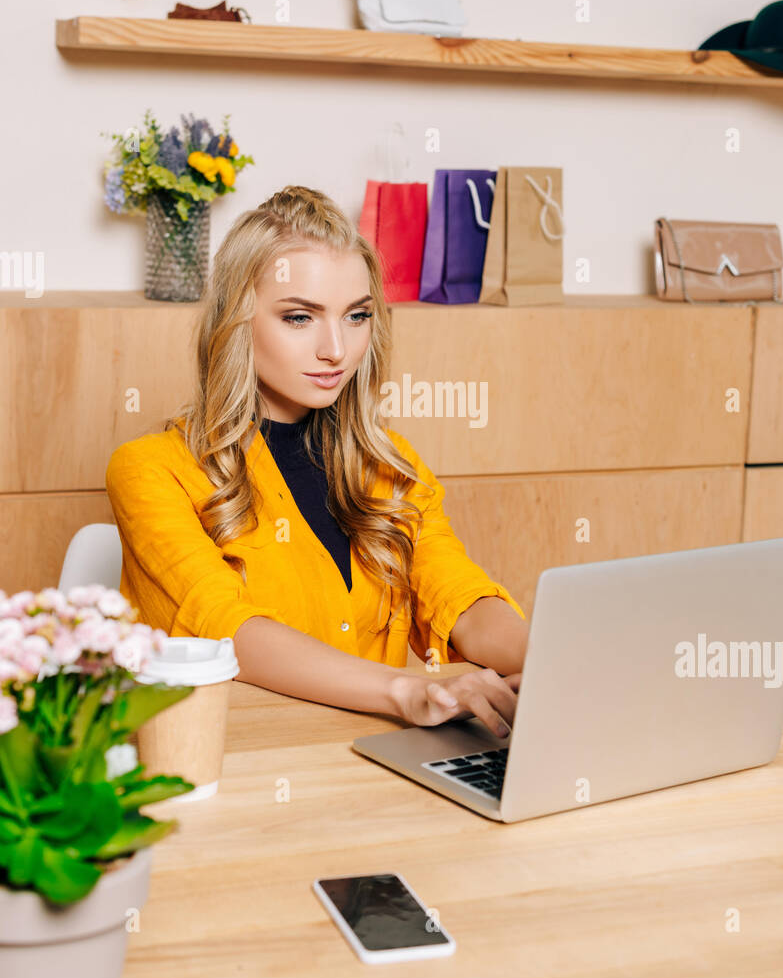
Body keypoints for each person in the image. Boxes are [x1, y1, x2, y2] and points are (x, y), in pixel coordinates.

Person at [105, 185, 528, 737]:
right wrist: (406, 690)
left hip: (377, 757)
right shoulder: (150, 469)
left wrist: (555, 658)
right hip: (240, 759)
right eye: (300, 318)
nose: (336, 349)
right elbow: (230, 630)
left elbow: (458, 596)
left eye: (356, 316)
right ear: (237, 321)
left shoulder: (393, 465)